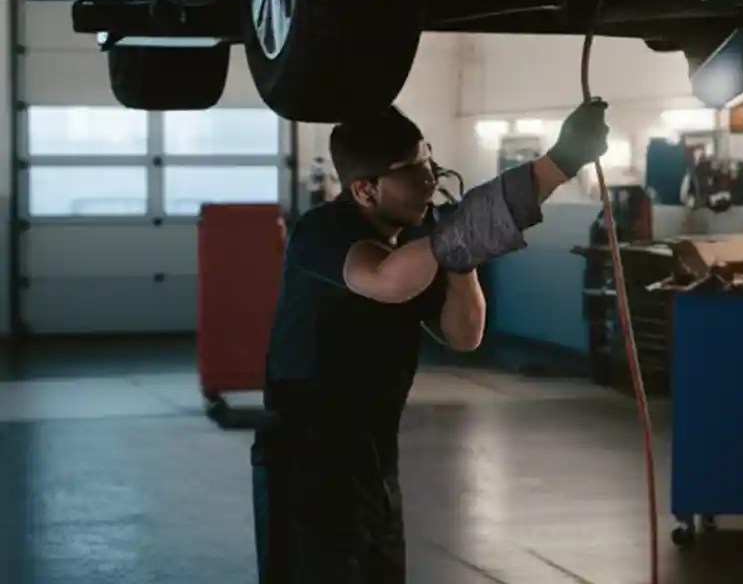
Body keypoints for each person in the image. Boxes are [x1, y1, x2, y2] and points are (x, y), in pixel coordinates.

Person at [252, 99, 609, 583]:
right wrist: (551, 168)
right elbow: (383, 279)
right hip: (308, 460)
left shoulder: (417, 241)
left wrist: (462, 263)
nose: (431, 179)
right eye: (415, 169)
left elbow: (464, 335)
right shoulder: (324, 231)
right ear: (365, 189)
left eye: (429, 161)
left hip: (375, 456)